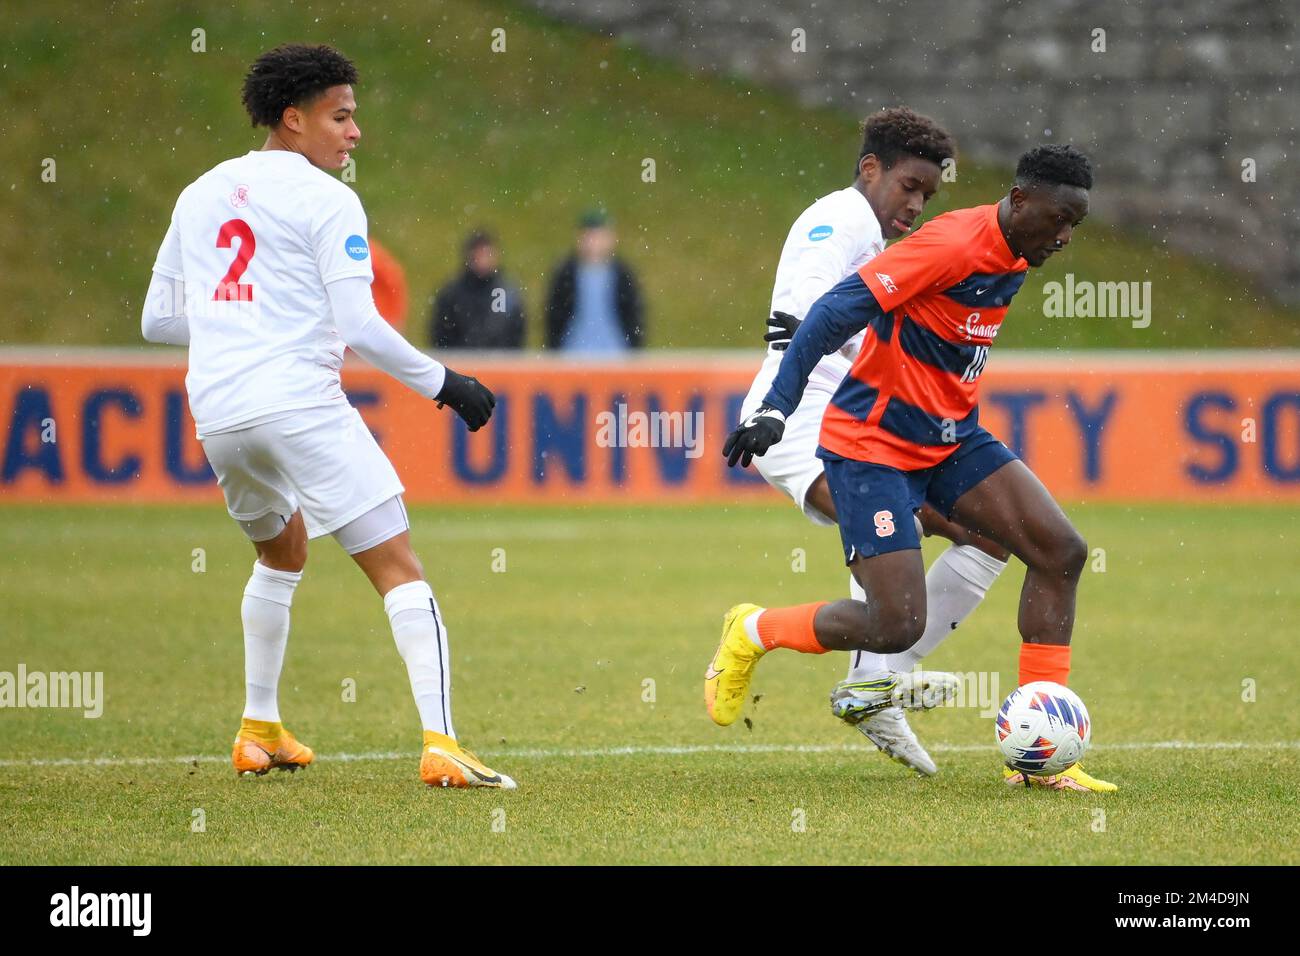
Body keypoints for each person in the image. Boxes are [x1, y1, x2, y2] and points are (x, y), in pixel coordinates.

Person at [140, 43, 515, 789]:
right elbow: (363, 324)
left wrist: (240, 326)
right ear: (292, 118)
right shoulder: (329, 199)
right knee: (399, 567)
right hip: (297, 403)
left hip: (218, 412)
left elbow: (159, 319)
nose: (355, 133)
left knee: (281, 555)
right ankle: (442, 742)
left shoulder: (201, 191)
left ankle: (258, 728)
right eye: (340, 116)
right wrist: (446, 383)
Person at [713, 144, 1116, 793]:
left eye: (1076, 225)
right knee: (898, 621)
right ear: (1019, 202)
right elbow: (832, 311)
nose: (1065, 237)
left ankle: (1044, 759)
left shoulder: (1018, 252)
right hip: (871, 442)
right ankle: (757, 628)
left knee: (1060, 551)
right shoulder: (950, 244)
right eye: (1058, 219)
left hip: (951, 438)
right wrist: (778, 411)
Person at [733, 107, 1011, 776]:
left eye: (927, 195)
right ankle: (759, 632)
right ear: (870, 169)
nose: (915, 205)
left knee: (984, 537)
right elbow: (801, 300)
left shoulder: (884, 245)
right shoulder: (844, 216)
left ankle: (878, 679)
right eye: (908, 186)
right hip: (800, 424)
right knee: (903, 557)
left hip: (859, 425)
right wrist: (777, 403)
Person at [544, 209, 644, 352]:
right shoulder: (565, 274)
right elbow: (554, 318)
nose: (594, 243)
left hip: (616, 354)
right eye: (589, 237)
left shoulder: (623, 274)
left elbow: (634, 316)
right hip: (573, 354)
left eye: (599, 237)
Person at [430, 229, 526, 349]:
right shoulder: (452, 294)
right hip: (460, 362)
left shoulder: (507, 295)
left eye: (486, 254)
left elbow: (514, 334)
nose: (482, 260)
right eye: (479, 254)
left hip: (498, 363)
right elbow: (440, 334)